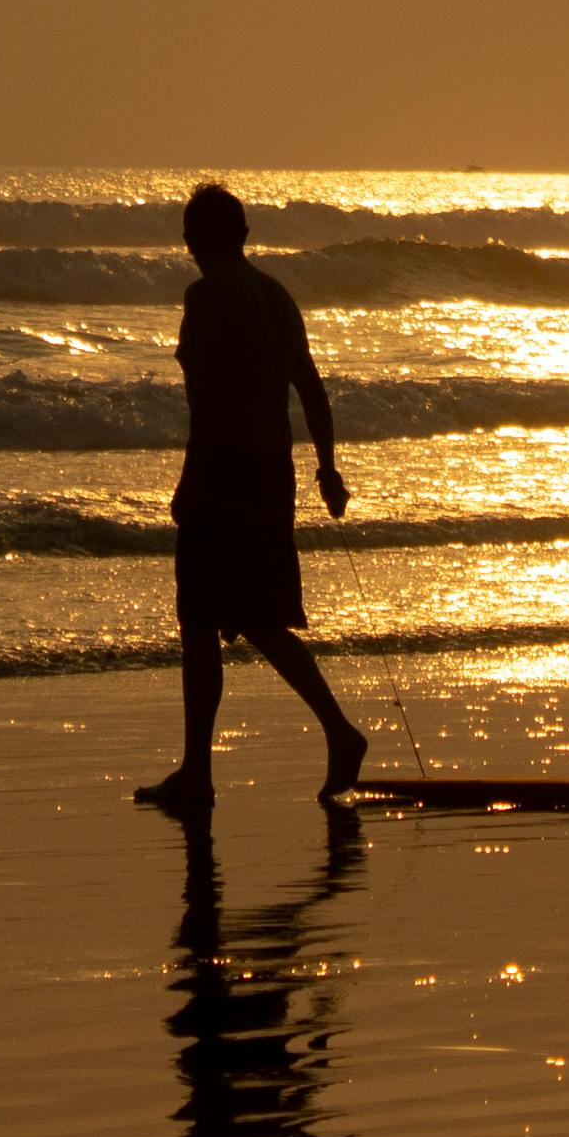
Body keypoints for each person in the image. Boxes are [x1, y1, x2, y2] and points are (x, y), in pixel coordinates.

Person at [135, 180, 372, 810]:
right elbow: (312, 392)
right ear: (242, 236)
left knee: (200, 622)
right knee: (259, 619)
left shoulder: (207, 296)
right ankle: (337, 732)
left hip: (224, 477)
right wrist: (327, 469)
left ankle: (200, 775)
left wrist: (190, 481)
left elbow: (206, 402)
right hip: (274, 476)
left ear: (191, 242)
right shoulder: (276, 295)